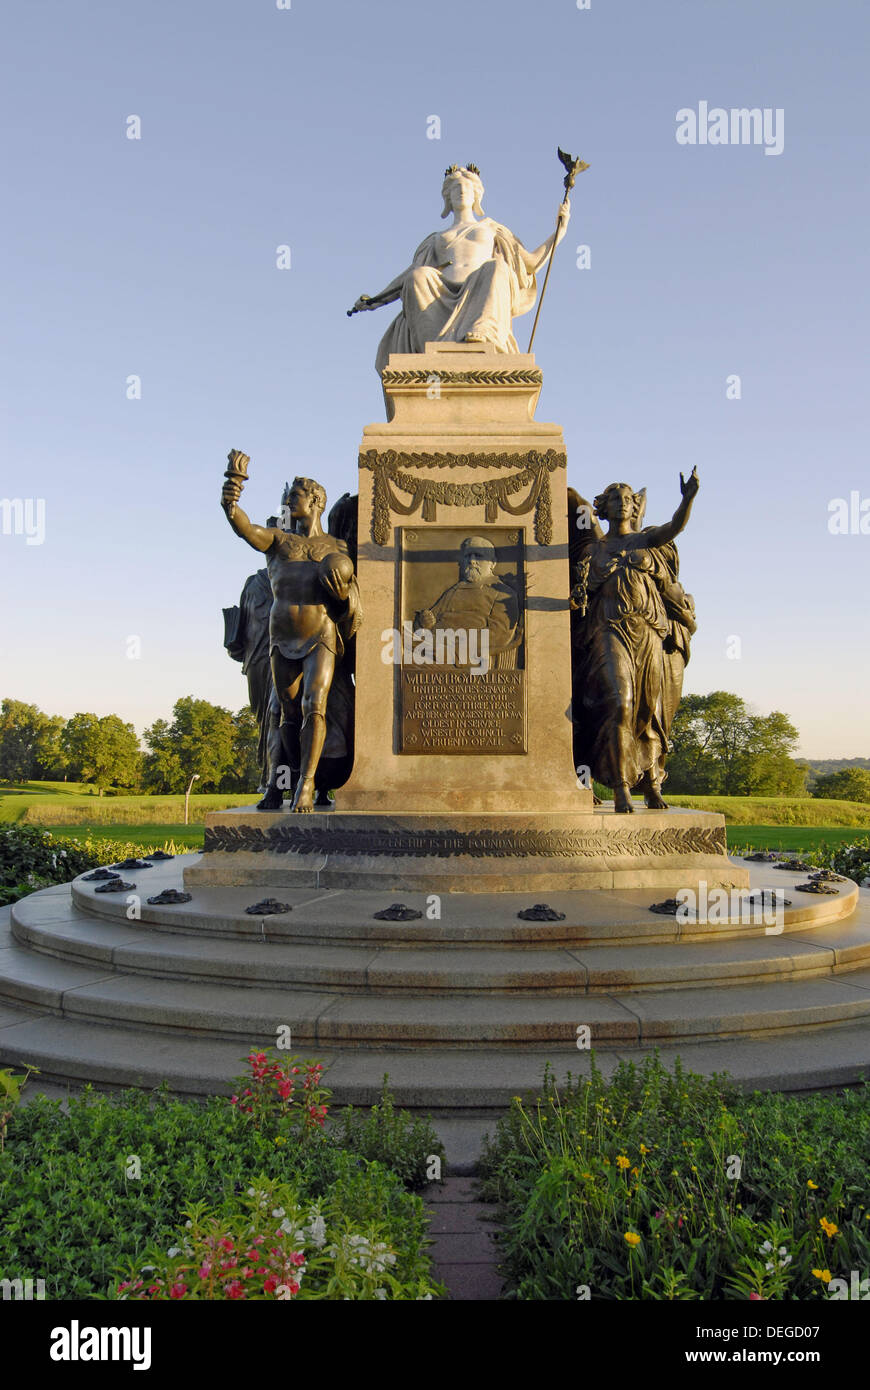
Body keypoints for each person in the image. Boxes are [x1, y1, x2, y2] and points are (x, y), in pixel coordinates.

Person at [221, 467, 361, 813]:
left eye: (295, 496)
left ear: (316, 501)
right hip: (281, 638)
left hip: (321, 637)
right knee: (286, 714)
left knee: (315, 705)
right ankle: (281, 780)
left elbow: (354, 602)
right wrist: (233, 494)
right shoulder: (278, 541)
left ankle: (307, 784)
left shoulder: (340, 549)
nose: (288, 501)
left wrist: (344, 595)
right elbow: (245, 528)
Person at [349, 164, 570, 373]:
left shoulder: (492, 228)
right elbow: (408, 275)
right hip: (441, 297)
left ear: (477, 195)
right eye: (456, 189)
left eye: (466, 188)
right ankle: (432, 348)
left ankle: (483, 329)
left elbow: (530, 263)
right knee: (418, 275)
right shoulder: (436, 239)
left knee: (496, 267)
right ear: (447, 198)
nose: (461, 192)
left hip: (480, 292)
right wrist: (375, 300)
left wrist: (559, 233)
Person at [569, 471, 699, 813]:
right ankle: (620, 785)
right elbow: (578, 599)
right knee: (620, 701)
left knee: (648, 708)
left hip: (648, 633)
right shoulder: (593, 550)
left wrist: (687, 500)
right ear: (603, 508)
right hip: (608, 630)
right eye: (616, 499)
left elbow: (674, 527)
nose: (623, 503)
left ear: (635, 507)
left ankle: (651, 780)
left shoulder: (647, 542)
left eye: (628, 498)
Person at [414, 535, 521, 669]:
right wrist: (424, 623)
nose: (471, 561)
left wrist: (452, 650)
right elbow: (428, 623)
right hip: (433, 649)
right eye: (467, 556)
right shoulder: (454, 590)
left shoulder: (503, 593)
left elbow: (499, 635)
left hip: (460, 658)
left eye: (478, 556)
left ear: (493, 563)